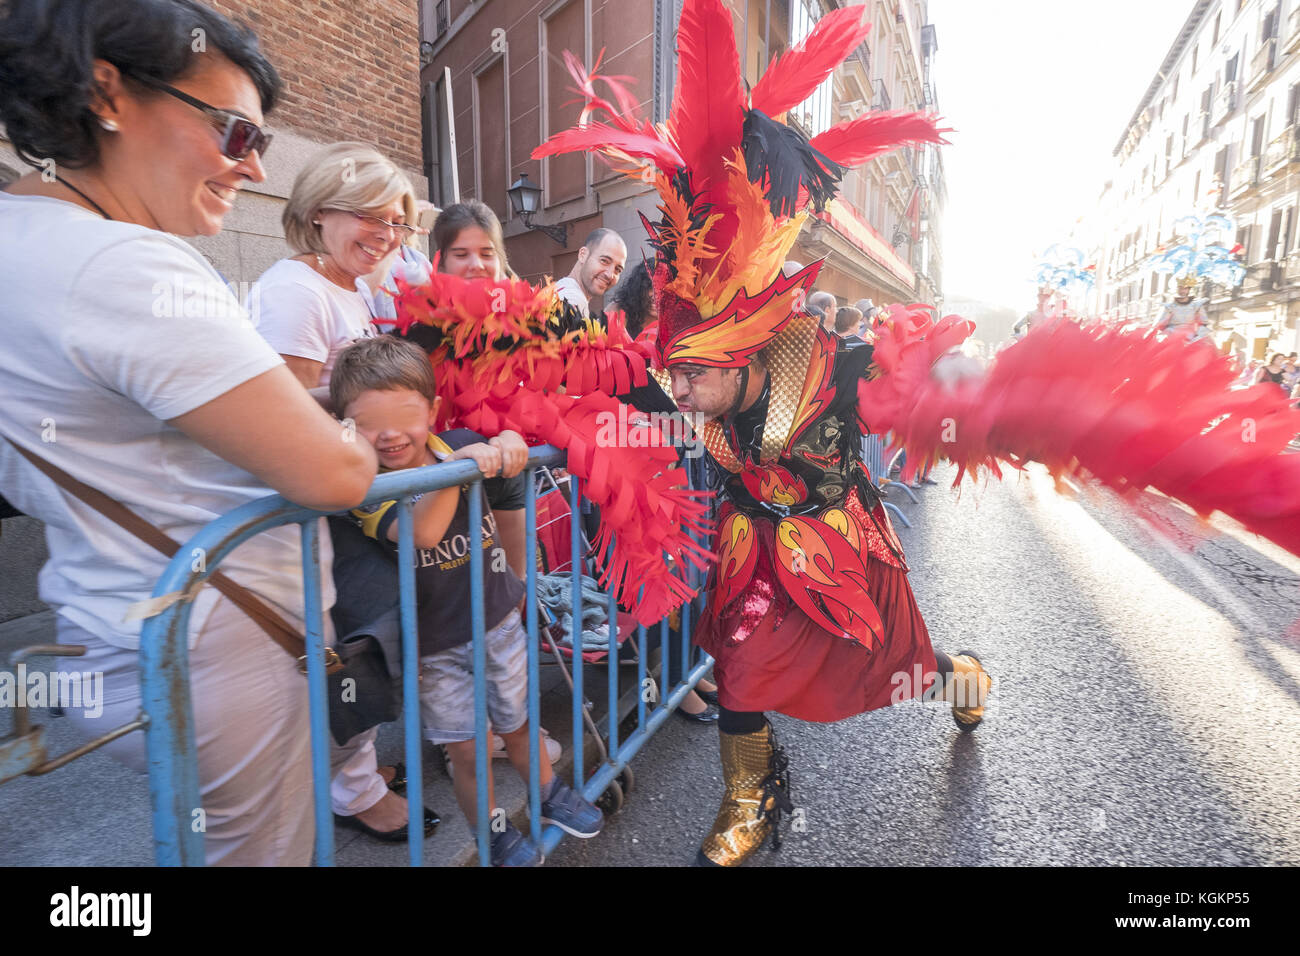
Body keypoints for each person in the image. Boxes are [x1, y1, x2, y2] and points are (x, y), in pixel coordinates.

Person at [534, 0, 969, 867]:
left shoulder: (836, 364)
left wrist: (945, 393)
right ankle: (750, 801)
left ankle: (966, 680)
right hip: (753, 552)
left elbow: (927, 399)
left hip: (843, 545)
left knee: (905, 665)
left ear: (742, 353)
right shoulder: (687, 384)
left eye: (695, 375)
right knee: (740, 668)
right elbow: (601, 391)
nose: (681, 393)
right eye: (676, 374)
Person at [0, 0, 379, 864]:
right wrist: (358, 435)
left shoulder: (25, 239)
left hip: (119, 625)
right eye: (235, 133)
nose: (249, 166)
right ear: (108, 94)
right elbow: (334, 476)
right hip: (219, 649)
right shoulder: (121, 262)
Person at [329, 336, 604, 865]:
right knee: (468, 751)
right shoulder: (363, 489)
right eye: (367, 422)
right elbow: (425, 532)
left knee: (520, 722)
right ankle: (492, 832)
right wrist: (463, 468)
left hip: (497, 622)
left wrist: (501, 441)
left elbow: (508, 453)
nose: (388, 435)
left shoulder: (456, 443)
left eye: (404, 417)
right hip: (434, 648)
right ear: (344, 426)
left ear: (432, 411)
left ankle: (547, 796)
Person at [251, 141, 418, 389]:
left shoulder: (354, 285)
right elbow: (288, 414)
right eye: (372, 216)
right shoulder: (296, 293)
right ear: (319, 211)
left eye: (398, 223)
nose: (389, 236)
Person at [554, 227, 627, 319]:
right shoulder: (572, 300)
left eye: (618, 270)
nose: (610, 275)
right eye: (604, 261)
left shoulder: (562, 290)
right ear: (583, 255)